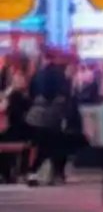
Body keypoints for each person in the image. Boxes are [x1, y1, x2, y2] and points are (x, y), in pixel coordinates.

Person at [26, 50, 72, 186]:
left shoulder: (37, 74)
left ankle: (33, 173)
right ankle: (56, 174)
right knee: (56, 145)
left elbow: (31, 93)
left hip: (36, 115)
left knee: (39, 145)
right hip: (53, 115)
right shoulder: (59, 74)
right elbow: (65, 95)